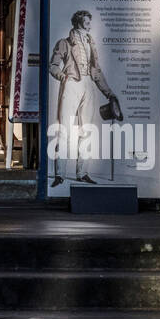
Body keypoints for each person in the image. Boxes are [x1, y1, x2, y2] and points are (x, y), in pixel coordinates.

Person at [48, 10, 117, 187]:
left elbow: (97, 71)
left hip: (88, 85)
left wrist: (108, 92)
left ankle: (82, 172)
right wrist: (62, 76)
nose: (89, 23)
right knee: (64, 129)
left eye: (89, 21)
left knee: (87, 129)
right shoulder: (65, 42)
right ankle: (60, 174)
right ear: (79, 21)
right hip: (72, 84)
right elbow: (53, 65)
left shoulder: (90, 42)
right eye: (86, 21)